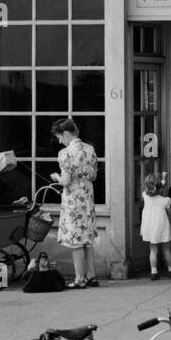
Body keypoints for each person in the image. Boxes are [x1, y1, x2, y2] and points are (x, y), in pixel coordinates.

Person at [50, 118, 99, 289]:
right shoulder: (90, 149)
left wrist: (56, 177)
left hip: (73, 199)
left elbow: (65, 180)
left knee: (75, 240)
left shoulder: (65, 154)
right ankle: (92, 276)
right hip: (87, 196)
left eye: (59, 137)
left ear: (66, 134)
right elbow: (94, 176)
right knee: (87, 239)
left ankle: (80, 278)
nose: (59, 141)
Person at [140, 173, 171, 281]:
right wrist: (164, 179)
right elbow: (170, 213)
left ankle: (153, 271)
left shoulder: (145, 196)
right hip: (162, 226)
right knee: (166, 250)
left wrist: (162, 181)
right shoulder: (165, 200)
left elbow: (153, 188)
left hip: (150, 227)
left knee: (153, 251)